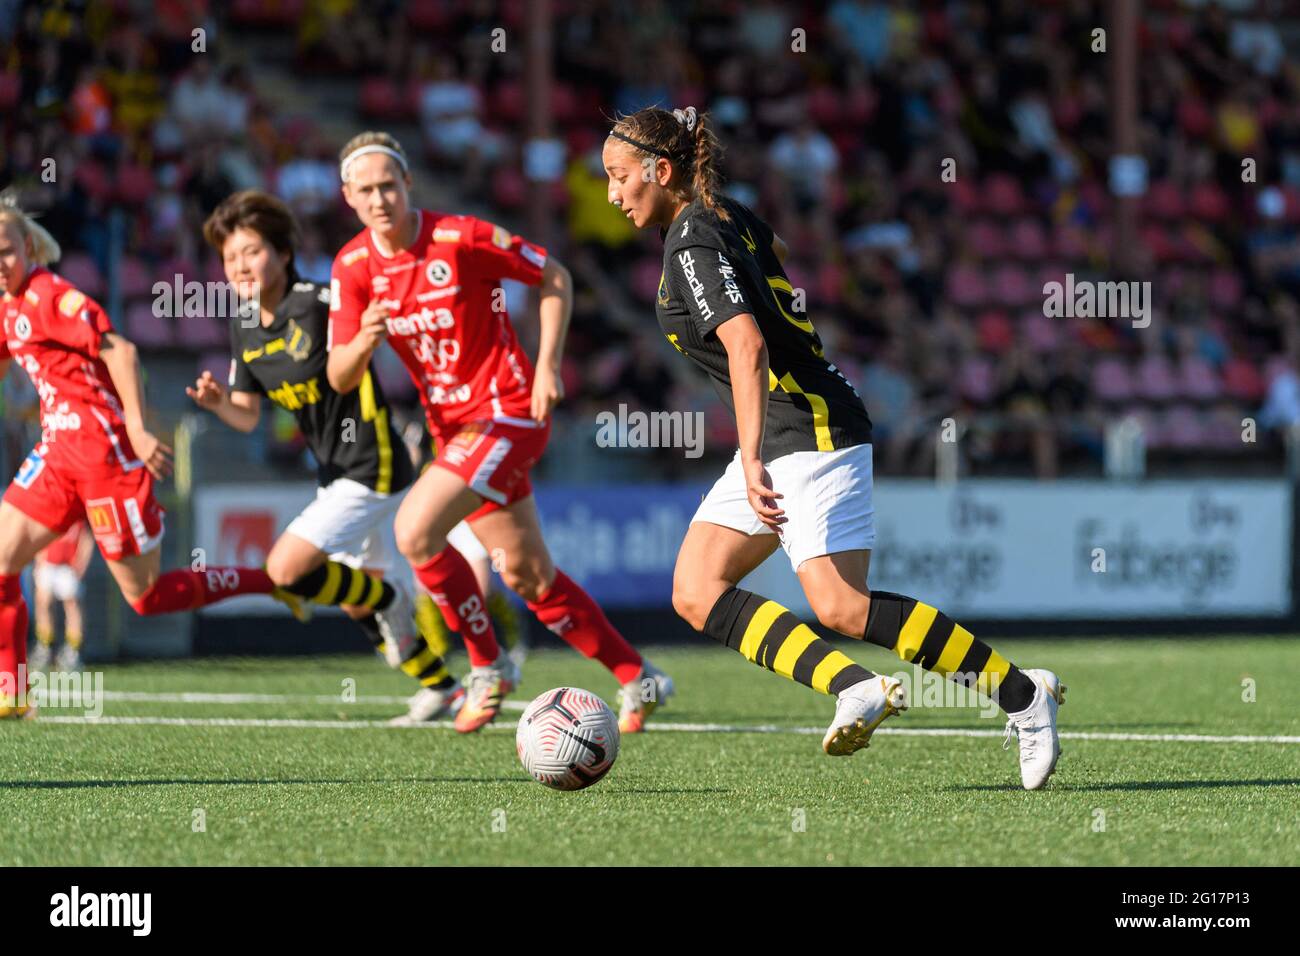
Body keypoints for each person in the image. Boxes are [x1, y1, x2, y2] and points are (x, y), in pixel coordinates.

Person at [603, 106, 1065, 789]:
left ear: (660, 171)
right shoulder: (722, 216)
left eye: (618, 176)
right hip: (795, 421)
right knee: (697, 591)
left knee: (842, 607)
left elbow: (748, 343)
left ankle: (1022, 697)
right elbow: (779, 255)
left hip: (806, 429)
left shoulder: (691, 243)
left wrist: (752, 452)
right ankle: (859, 688)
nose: (612, 193)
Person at [327, 131, 672, 733]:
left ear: (408, 185)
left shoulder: (460, 238)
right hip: (453, 431)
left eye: (389, 185)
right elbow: (338, 374)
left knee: (414, 531)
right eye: (366, 190)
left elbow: (554, 276)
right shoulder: (353, 267)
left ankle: (487, 667)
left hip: (509, 411)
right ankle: (637, 675)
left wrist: (546, 367)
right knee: (526, 575)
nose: (380, 199)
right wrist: (363, 341)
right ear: (348, 197)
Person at [0, 201, 299, 720]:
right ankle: (13, 687)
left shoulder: (52, 296)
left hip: (106, 458)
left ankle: (273, 581)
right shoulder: (8, 305)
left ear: (27, 246)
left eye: (5, 250)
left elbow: (122, 351)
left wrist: (137, 429)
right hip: (56, 455)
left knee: (148, 597)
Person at [191, 189, 463, 725]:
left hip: (373, 461)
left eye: (251, 251)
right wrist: (219, 403)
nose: (240, 265)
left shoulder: (319, 304)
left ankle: (395, 601)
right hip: (333, 473)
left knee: (287, 570)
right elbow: (248, 415)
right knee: (355, 600)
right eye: (230, 258)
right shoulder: (243, 326)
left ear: (283, 253)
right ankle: (444, 686)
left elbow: (370, 341)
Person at [29, 518, 93, 673]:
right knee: (43, 603)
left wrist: (81, 563)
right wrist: (39, 558)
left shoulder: (80, 512)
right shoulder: (50, 507)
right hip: (48, 563)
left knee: (72, 605)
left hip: (69, 566)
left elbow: (87, 538)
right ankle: (44, 645)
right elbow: (40, 533)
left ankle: (73, 649)